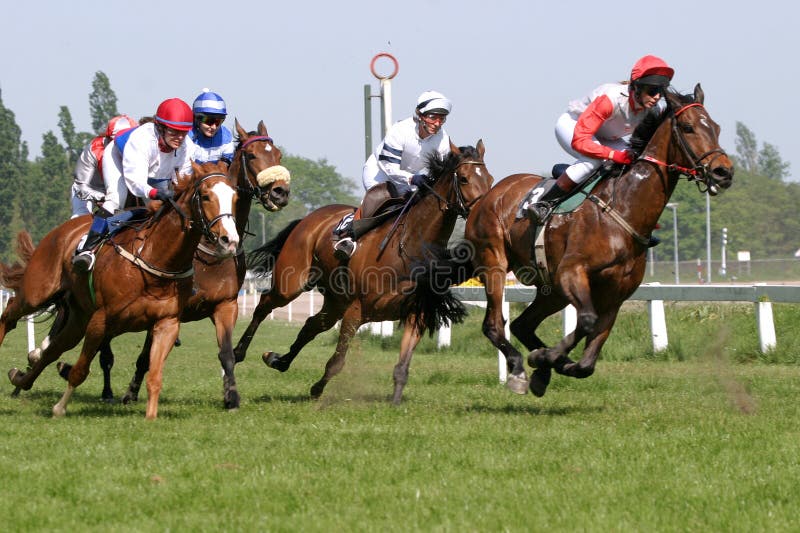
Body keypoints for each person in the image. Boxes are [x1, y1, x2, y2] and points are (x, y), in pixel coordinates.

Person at [526, 54, 674, 226]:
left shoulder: (651, 110)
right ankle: (544, 204)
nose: (656, 97)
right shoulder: (610, 99)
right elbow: (580, 141)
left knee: (636, 163)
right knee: (592, 161)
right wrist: (612, 154)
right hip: (573, 127)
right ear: (637, 87)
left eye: (660, 92)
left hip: (604, 137)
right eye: (652, 91)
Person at [72, 98, 196, 273]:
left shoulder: (187, 146)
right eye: (174, 132)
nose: (180, 138)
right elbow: (135, 182)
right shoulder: (141, 139)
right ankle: (86, 249)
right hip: (119, 160)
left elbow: (182, 179)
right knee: (115, 201)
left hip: (154, 169)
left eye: (184, 132)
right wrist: (156, 193)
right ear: (160, 127)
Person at [332, 90, 453, 260]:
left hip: (409, 178)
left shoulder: (442, 140)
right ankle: (348, 234)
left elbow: (440, 172)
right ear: (420, 115)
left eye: (442, 119)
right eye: (433, 117)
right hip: (380, 172)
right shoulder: (400, 130)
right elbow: (389, 166)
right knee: (379, 200)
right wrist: (412, 178)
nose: (438, 123)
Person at [70, 115, 138, 218]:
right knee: (80, 217)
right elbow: (80, 187)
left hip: (117, 192)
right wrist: (102, 197)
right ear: (109, 139)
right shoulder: (94, 150)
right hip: (88, 192)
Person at [189, 89, 235, 165]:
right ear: (197, 119)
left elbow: (223, 169)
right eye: (209, 121)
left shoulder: (226, 137)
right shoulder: (187, 136)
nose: (214, 127)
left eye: (218, 122)